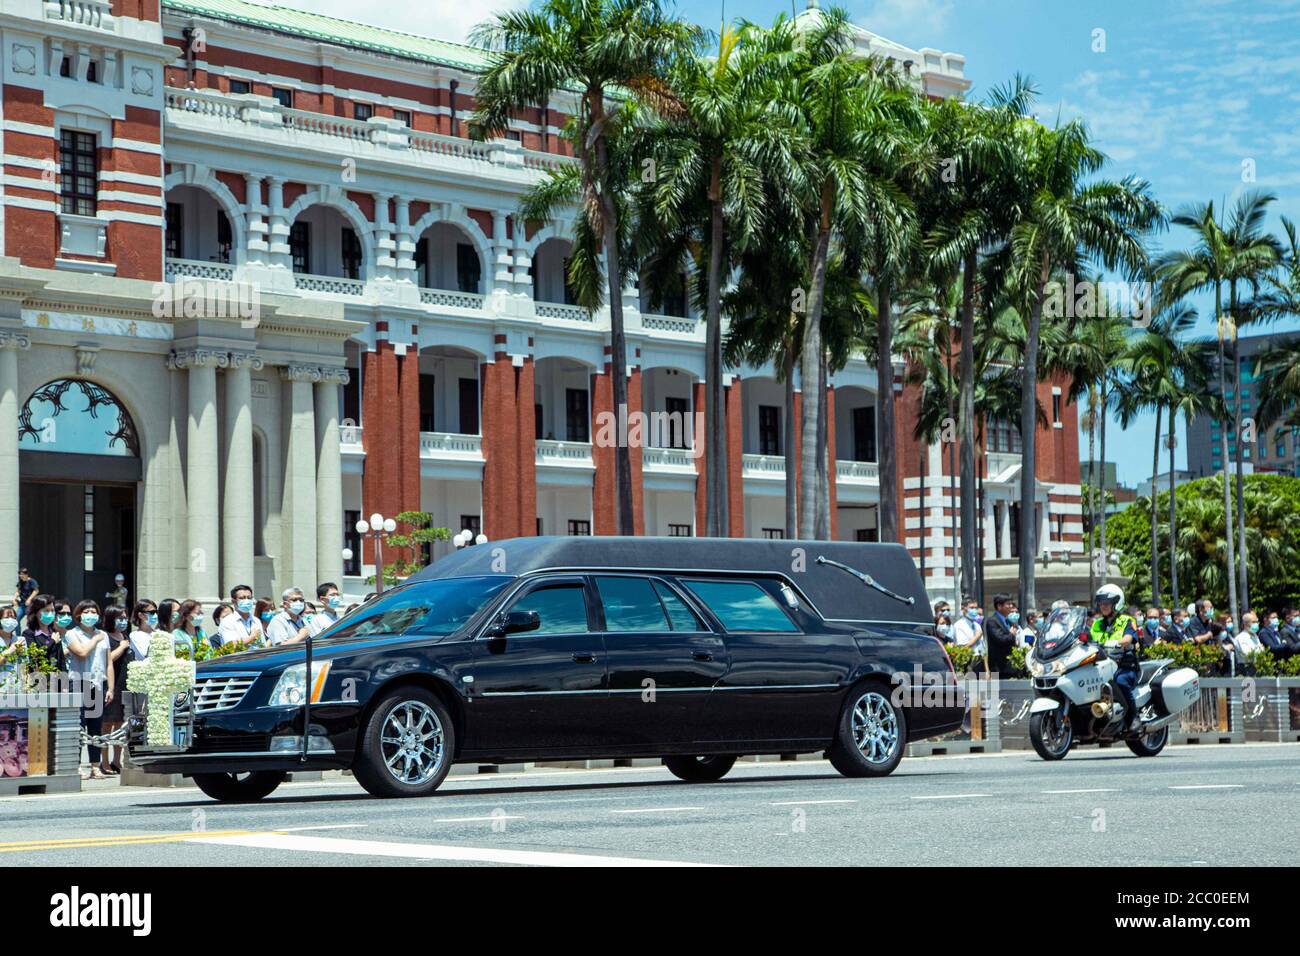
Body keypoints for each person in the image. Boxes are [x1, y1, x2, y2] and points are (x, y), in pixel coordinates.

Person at [64, 600, 110, 781]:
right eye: (87, 611)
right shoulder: (71, 634)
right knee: (79, 725)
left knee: (95, 727)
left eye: (94, 611)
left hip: (97, 684)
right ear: (79, 615)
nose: (90, 614)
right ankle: (76, 765)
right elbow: (81, 653)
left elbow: (108, 663)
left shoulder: (103, 634)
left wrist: (111, 687)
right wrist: (95, 640)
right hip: (79, 683)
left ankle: (95, 766)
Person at [1088, 584, 1140, 733]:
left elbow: (1128, 639)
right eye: (1101, 603)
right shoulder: (1097, 624)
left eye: (1107, 603)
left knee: (1120, 682)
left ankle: (1133, 716)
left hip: (1125, 665)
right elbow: (1088, 639)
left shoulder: (1127, 620)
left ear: (1116, 603)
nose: (1103, 606)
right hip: (1102, 665)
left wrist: (1117, 643)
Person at [101, 605, 131, 775]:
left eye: (125, 617)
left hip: (125, 684)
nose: (123, 621)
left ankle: (116, 761)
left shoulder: (125, 636)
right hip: (111, 684)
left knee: (120, 724)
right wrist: (121, 647)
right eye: (120, 617)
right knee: (106, 724)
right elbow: (108, 659)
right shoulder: (105, 636)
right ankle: (103, 761)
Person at [20, 594, 64, 671]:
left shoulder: (54, 633)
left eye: (52, 610)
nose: (50, 614)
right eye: (46, 610)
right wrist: (53, 641)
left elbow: (61, 660)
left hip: (56, 679)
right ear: (35, 612)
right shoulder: (29, 634)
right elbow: (35, 657)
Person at [984, 593, 1017, 676]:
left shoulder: (1008, 621)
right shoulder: (992, 621)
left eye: (1011, 604)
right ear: (999, 606)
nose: (1011, 606)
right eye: (1008, 604)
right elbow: (1000, 639)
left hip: (1010, 666)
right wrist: (1011, 635)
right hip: (998, 667)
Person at [952, 598, 986, 675]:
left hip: (980, 661)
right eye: (971, 608)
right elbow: (963, 648)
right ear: (963, 609)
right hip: (969, 663)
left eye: (976, 608)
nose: (974, 610)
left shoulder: (977, 625)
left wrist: (987, 670)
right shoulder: (959, 625)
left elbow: (982, 648)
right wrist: (977, 636)